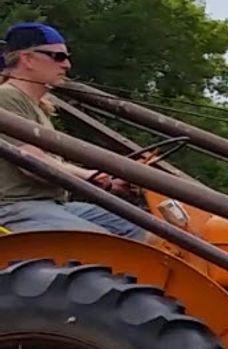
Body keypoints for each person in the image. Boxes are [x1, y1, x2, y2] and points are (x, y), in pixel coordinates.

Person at [0, 22, 146, 240]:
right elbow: (33, 163)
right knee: (110, 247)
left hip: (53, 205)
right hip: (15, 208)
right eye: (58, 57)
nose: (67, 65)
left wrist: (109, 181)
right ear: (27, 59)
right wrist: (94, 177)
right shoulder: (6, 97)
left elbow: (52, 163)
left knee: (145, 233)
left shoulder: (39, 106)